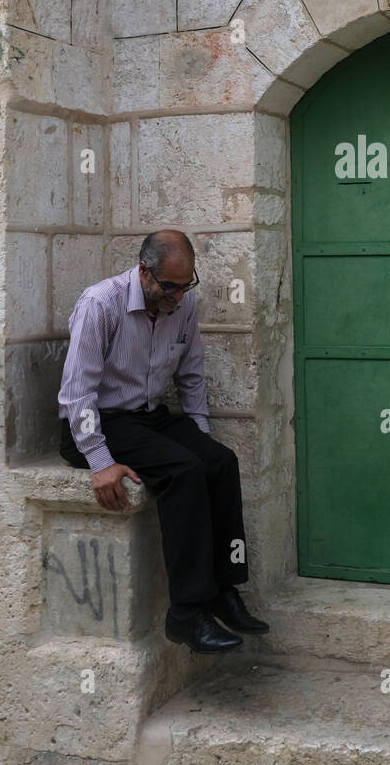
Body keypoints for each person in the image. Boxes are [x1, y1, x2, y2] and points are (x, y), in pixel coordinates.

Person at [57, 228, 269, 654]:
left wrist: (200, 438)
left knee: (220, 462)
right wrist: (100, 461)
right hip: (98, 422)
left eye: (185, 285)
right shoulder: (101, 303)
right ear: (144, 272)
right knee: (183, 471)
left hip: (149, 418)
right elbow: (77, 393)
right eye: (169, 287)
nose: (177, 296)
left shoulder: (183, 305)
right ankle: (186, 615)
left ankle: (223, 589)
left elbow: (190, 376)